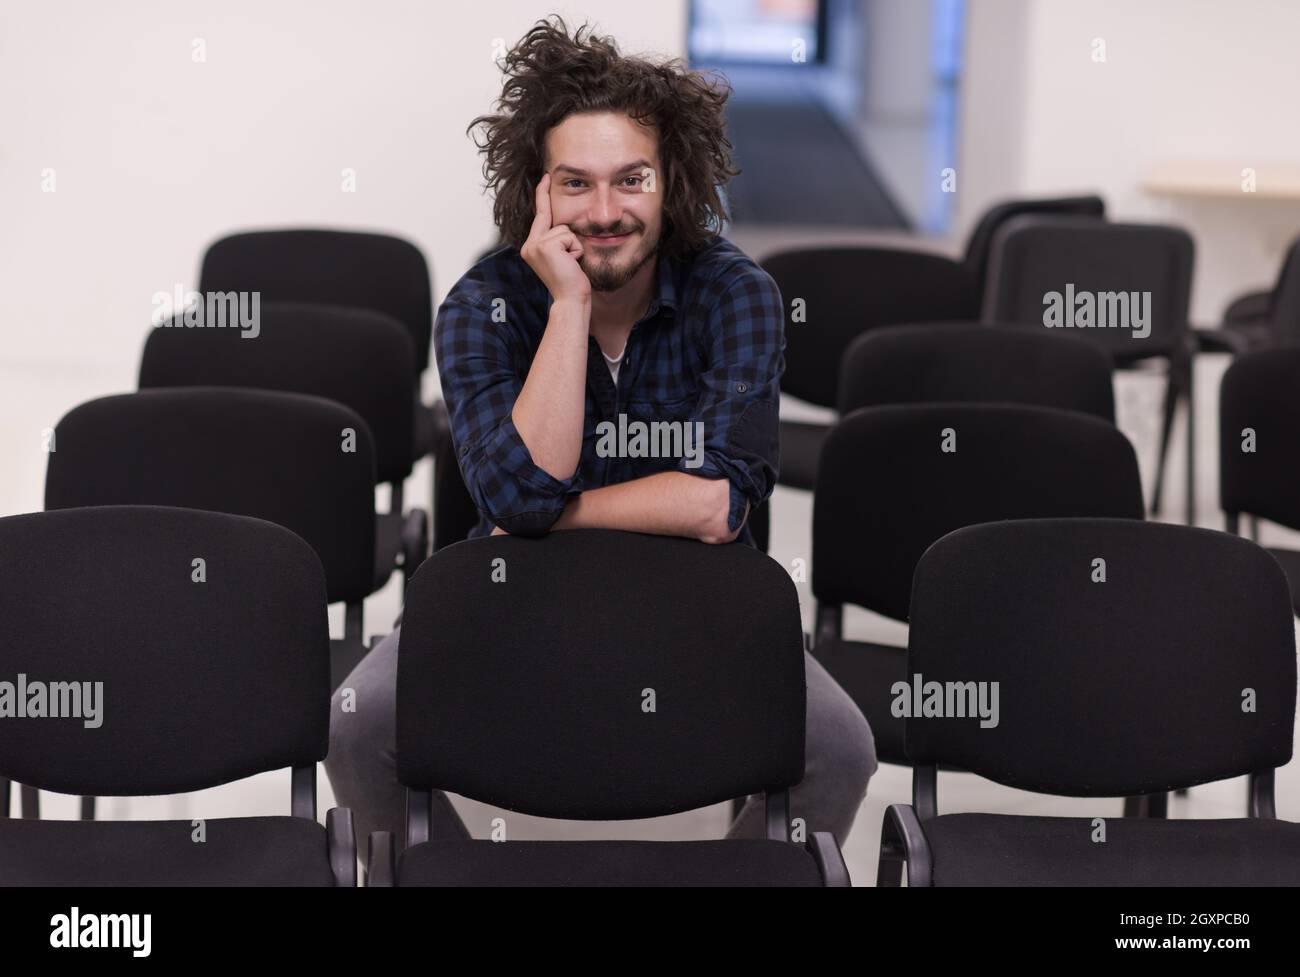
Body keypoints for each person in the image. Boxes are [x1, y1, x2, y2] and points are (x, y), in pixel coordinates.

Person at [325, 15, 875, 854]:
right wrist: (570, 306)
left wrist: (553, 511)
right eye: (574, 183)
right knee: (356, 726)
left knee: (841, 745)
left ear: (672, 180)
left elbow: (718, 505)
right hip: (514, 591)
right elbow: (514, 495)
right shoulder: (485, 305)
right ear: (535, 191)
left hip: (698, 600)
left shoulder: (736, 293)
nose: (606, 211)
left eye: (632, 179)